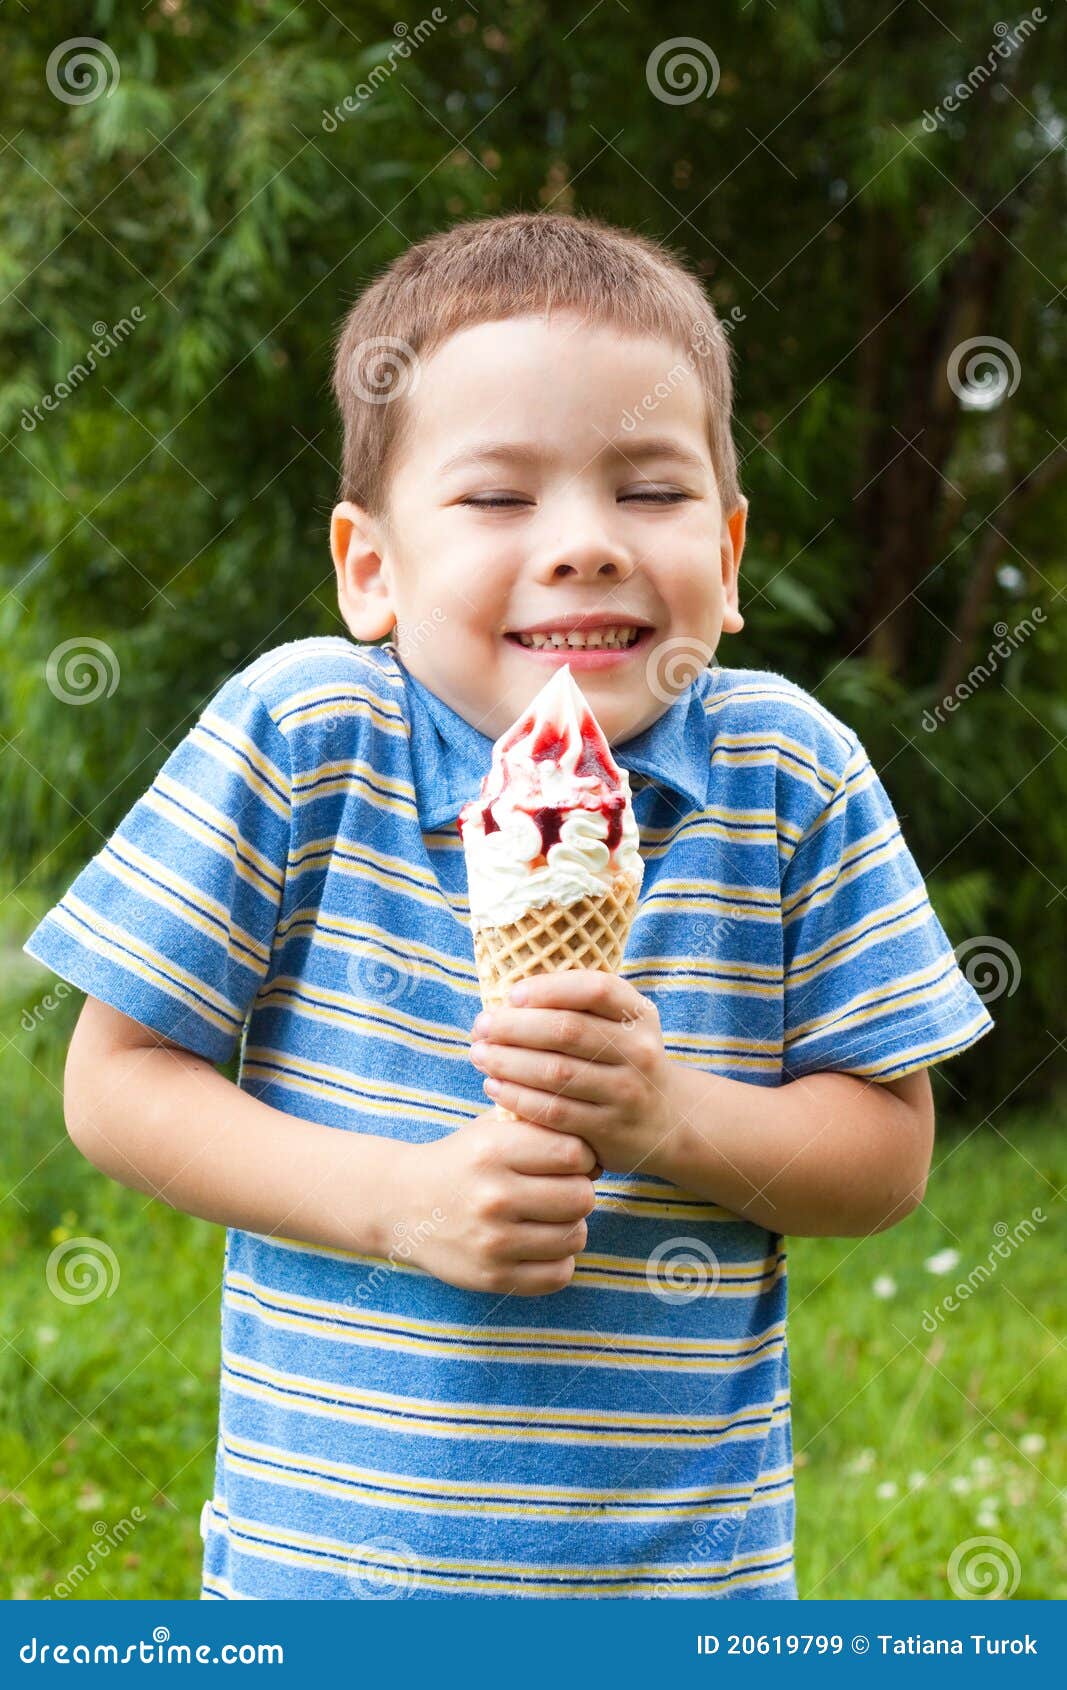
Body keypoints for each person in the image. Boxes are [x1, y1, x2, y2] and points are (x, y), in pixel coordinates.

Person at [22, 211, 994, 1600]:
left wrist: (669, 1116)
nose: (586, 544)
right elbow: (115, 1084)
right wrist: (396, 1203)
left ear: (728, 557)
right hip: (331, 1591)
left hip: (680, 1598)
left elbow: (887, 1158)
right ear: (371, 567)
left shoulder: (787, 773)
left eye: (649, 491)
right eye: (497, 498)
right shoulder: (304, 738)